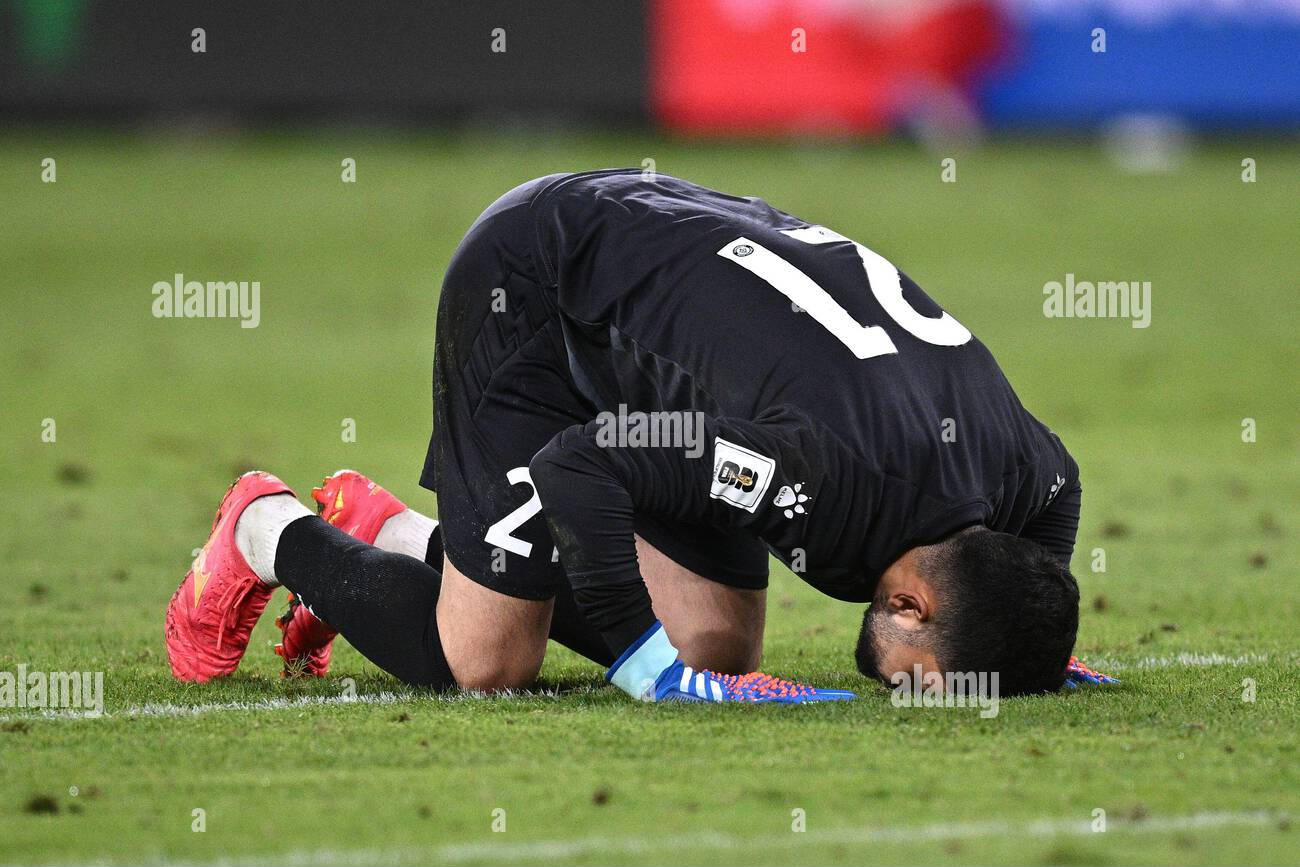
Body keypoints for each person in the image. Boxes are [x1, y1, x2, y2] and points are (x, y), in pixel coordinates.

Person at [165, 170, 1113, 703]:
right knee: (488, 664)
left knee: (714, 643)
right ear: (911, 607)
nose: (918, 696)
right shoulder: (819, 478)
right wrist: (644, 671)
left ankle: (402, 535)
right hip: (538, 292)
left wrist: (1021, 637)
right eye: (930, 685)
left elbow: (1059, 488)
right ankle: (266, 527)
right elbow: (586, 463)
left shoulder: (1003, 471)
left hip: (667, 305)